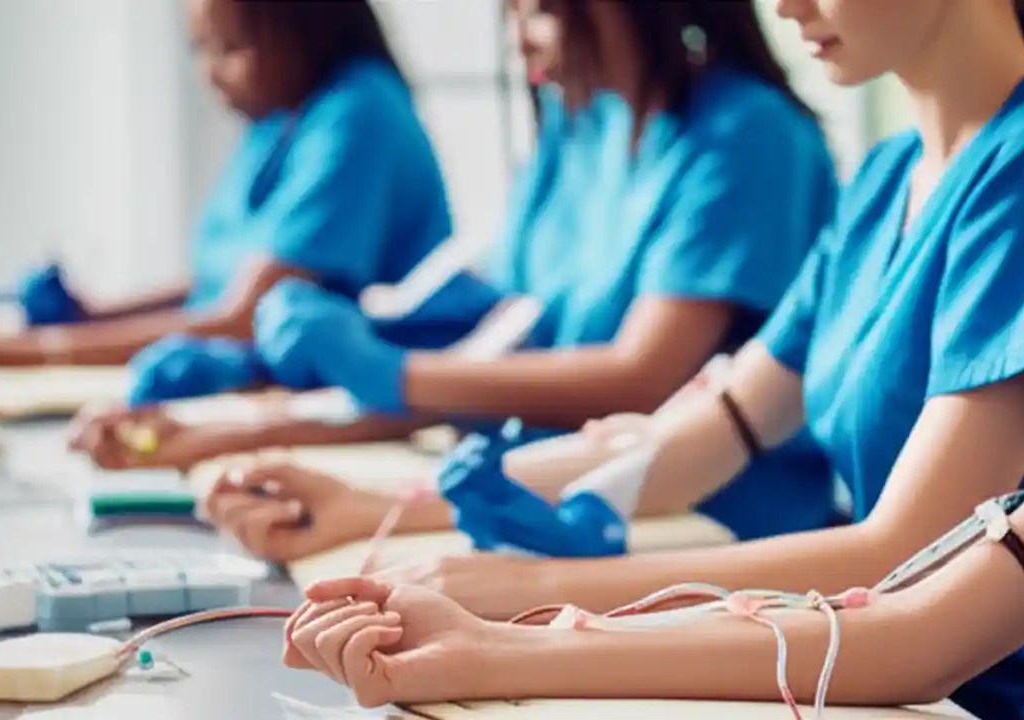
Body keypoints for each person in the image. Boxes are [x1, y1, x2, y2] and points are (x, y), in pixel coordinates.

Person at [277, 0, 1024, 717]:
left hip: (1006, 700)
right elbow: (700, 438)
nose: (785, 6)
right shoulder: (889, 176)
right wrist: (385, 506)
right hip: (879, 672)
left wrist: (530, 592)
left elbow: (910, 554)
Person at [78, 0, 845, 544]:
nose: (520, 38)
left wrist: (390, 373)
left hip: (712, 525)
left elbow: (640, 378)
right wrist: (249, 422)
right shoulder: (583, 125)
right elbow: (500, 357)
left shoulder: (750, 136)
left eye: (540, 7)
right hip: (558, 483)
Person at [0, 0, 450, 390]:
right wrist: (95, 316)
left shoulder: (360, 114)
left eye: (230, 48)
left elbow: (240, 318)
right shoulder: (277, 120)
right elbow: (217, 282)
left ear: (304, 24)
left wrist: (20, 353)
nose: (209, 72)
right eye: (201, 48)